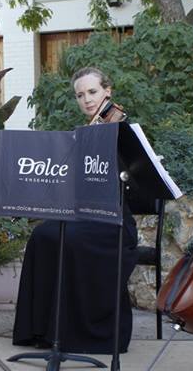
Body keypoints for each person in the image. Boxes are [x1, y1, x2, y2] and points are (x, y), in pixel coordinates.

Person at [12, 66, 138, 354]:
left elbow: (133, 181)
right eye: (80, 95)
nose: (87, 100)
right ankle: (45, 330)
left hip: (113, 221)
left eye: (92, 92)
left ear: (108, 91)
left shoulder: (123, 130)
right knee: (43, 234)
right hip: (84, 215)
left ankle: (88, 334)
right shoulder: (84, 134)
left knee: (66, 237)